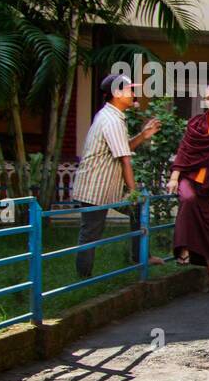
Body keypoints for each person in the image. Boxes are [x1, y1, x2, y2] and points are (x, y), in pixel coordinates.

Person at [69, 74, 164, 279]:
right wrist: (133, 191)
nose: (133, 94)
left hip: (107, 187)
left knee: (137, 210)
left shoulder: (112, 116)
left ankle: (140, 257)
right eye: (130, 90)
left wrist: (143, 136)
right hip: (95, 188)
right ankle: (82, 278)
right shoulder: (111, 120)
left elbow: (122, 148)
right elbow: (125, 159)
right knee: (91, 233)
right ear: (117, 93)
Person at [167, 83, 209, 291]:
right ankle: (184, 249)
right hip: (189, 177)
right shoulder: (196, 124)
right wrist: (174, 177)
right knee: (188, 199)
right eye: (208, 98)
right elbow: (184, 150)